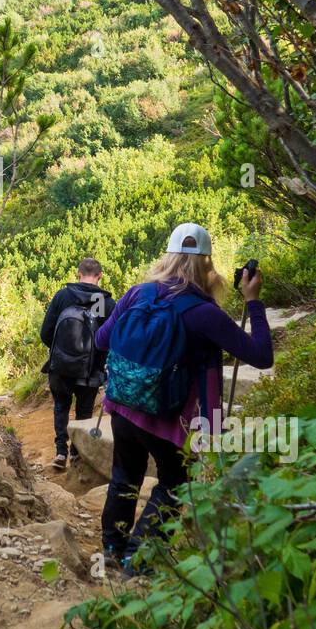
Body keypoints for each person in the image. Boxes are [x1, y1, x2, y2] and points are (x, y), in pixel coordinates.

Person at [93, 223, 273, 572]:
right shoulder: (204, 313)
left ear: (169, 256)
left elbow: (102, 340)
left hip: (123, 405)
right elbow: (261, 356)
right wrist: (253, 301)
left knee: (124, 477)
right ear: (207, 264)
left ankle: (112, 549)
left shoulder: (137, 294)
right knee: (175, 483)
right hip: (168, 418)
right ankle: (139, 557)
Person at [40, 257, 115, 469]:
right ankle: (76, 453)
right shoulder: (105, 303)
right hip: (90, 371)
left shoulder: (63, 296)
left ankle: (60, 452)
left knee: (61, 407)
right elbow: (111, 339)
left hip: (60, 367)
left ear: (77, 274)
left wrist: (61, 352)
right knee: (84, 412)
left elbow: (45, 333)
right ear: (100, 276)